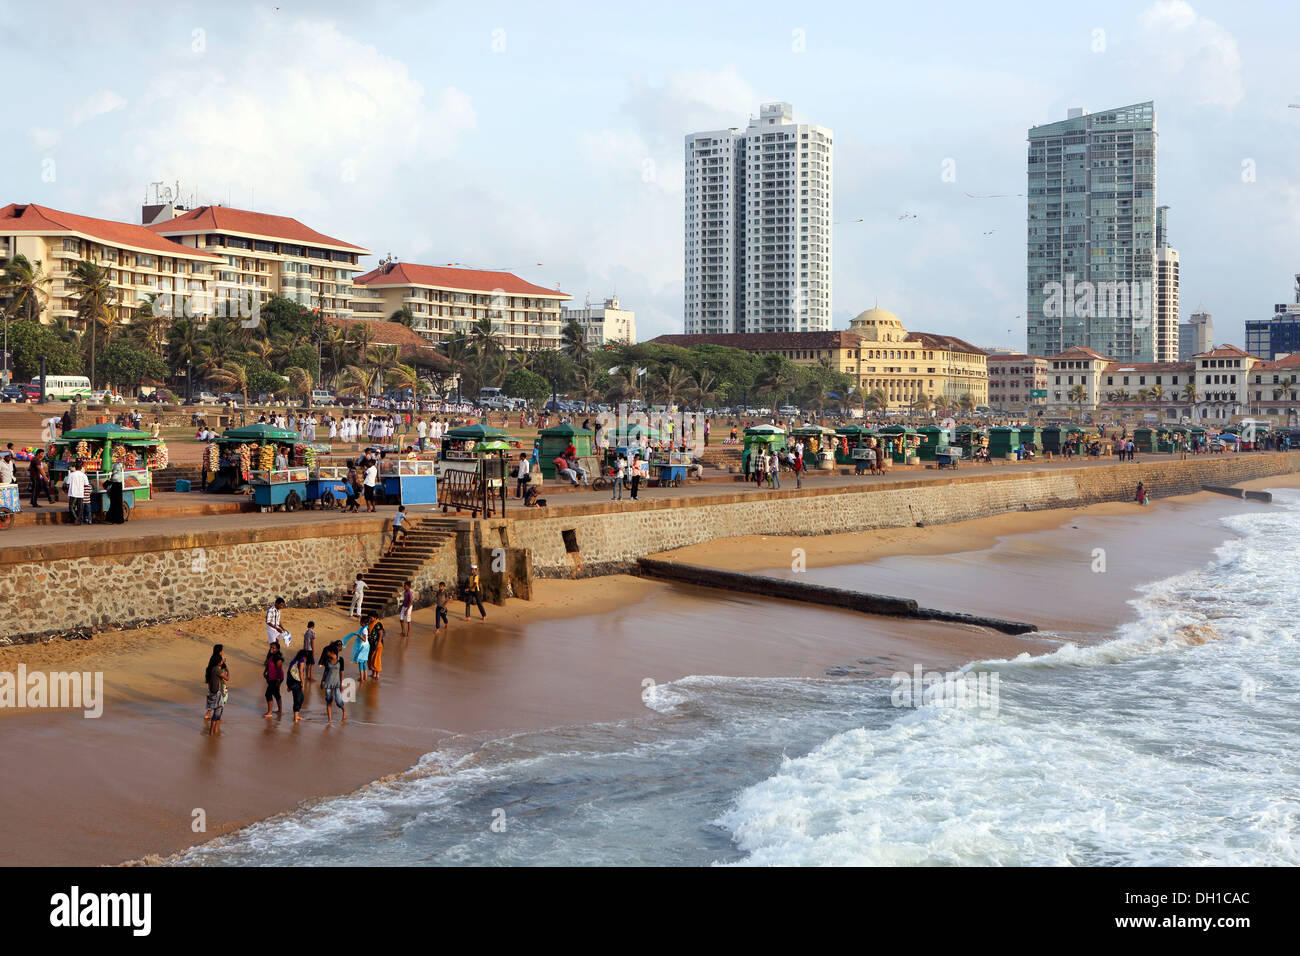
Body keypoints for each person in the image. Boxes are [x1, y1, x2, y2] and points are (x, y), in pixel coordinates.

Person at [204, 644, 228, 735]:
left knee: (217, 711)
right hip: (216, 692)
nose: (223, 651)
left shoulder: (212, 664)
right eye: (222, 650)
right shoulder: (216, 668)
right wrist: (226, 675)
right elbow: (226, 677)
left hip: (212, 690)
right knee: (217, 712)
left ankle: (215, 731)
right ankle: (212, 732)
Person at [320, 643, 346, 724]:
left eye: (328, 652)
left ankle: (344, 711)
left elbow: (342, 673)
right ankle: (330, 720)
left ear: (332, 652)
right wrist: (322, 681)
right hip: (328, 683)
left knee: (338, 702)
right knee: (329, 700)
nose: (326, 653)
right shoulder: (327, 660)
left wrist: (342, 684)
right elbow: (325, 671)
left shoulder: (340, 660)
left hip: (337, 684)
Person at [262, 644, 285, 717]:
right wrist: (265, 672)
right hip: (271, 677)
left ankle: (270, 712)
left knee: (268, 694)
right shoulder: (270, 656)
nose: (271, 649)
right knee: (276, 693)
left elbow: (278, 669)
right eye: (271, 647)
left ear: (277, 649)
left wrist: (278, 680)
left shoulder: (278, 658)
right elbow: (268, 665)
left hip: (277, 678)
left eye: (273, 648)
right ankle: (280, 711)